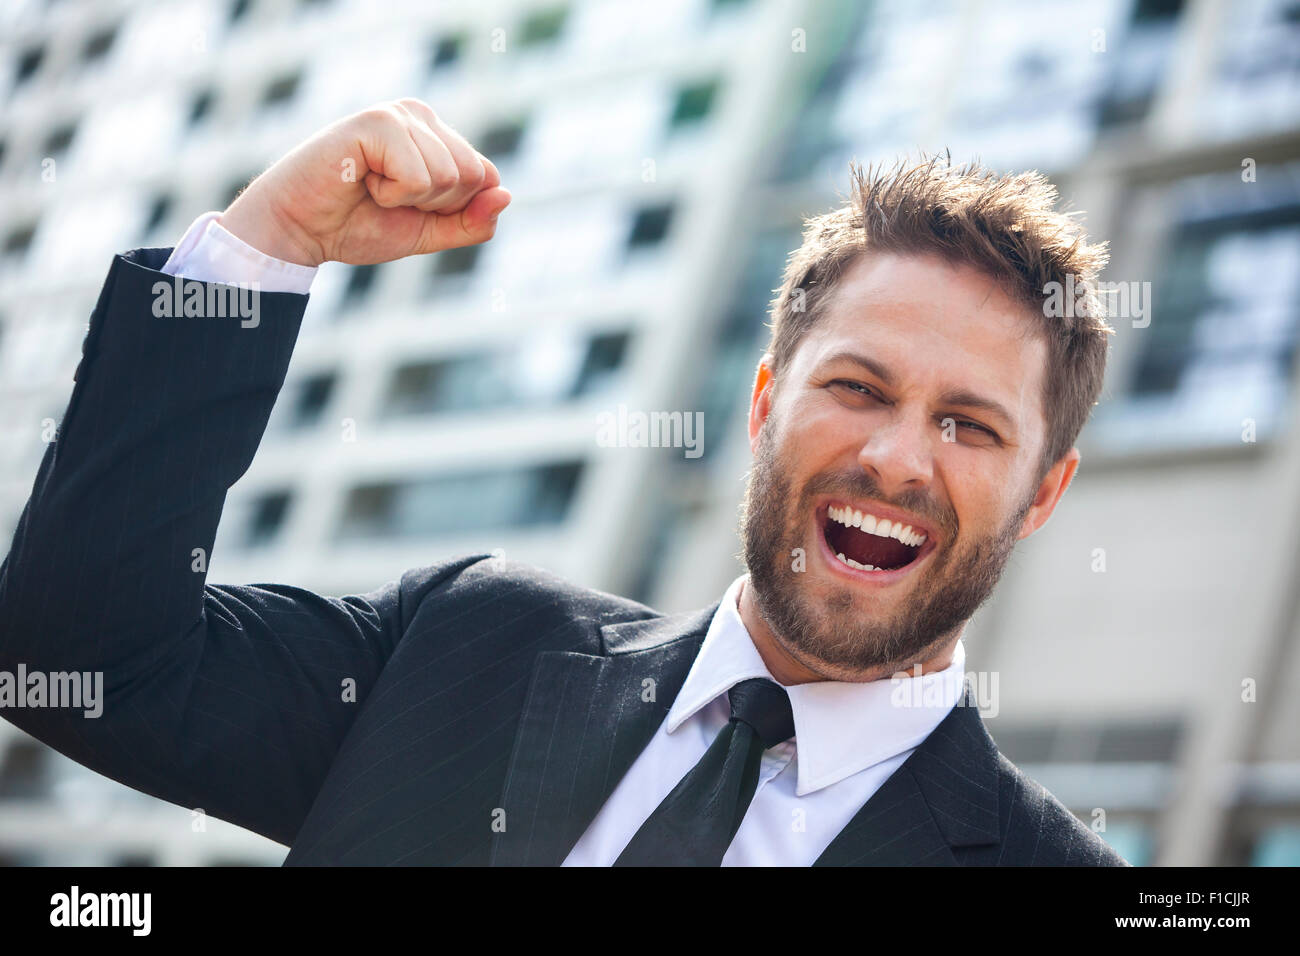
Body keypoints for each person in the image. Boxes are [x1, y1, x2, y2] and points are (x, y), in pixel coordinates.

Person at [0, 98, 1126, 866]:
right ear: (763, 402)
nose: (893, 456)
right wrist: (265, 247)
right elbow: (74, 655)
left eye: (968, 423)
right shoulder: (469, 645)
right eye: (858, 386)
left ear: (1041, 492)